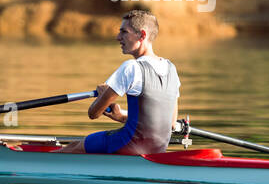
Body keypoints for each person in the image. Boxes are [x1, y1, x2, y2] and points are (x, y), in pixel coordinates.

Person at [55, 8, 180, 155]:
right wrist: (121, 117)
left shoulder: (131, 67)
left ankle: (43, 165)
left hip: (129, 145)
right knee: (85, 144)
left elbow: (93, 113)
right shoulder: (171, 68)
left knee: (74, 147)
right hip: (157, 150)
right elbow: (170, 123)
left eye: (124, 32)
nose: (118, 37)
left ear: (142, 35)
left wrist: (102, 97)